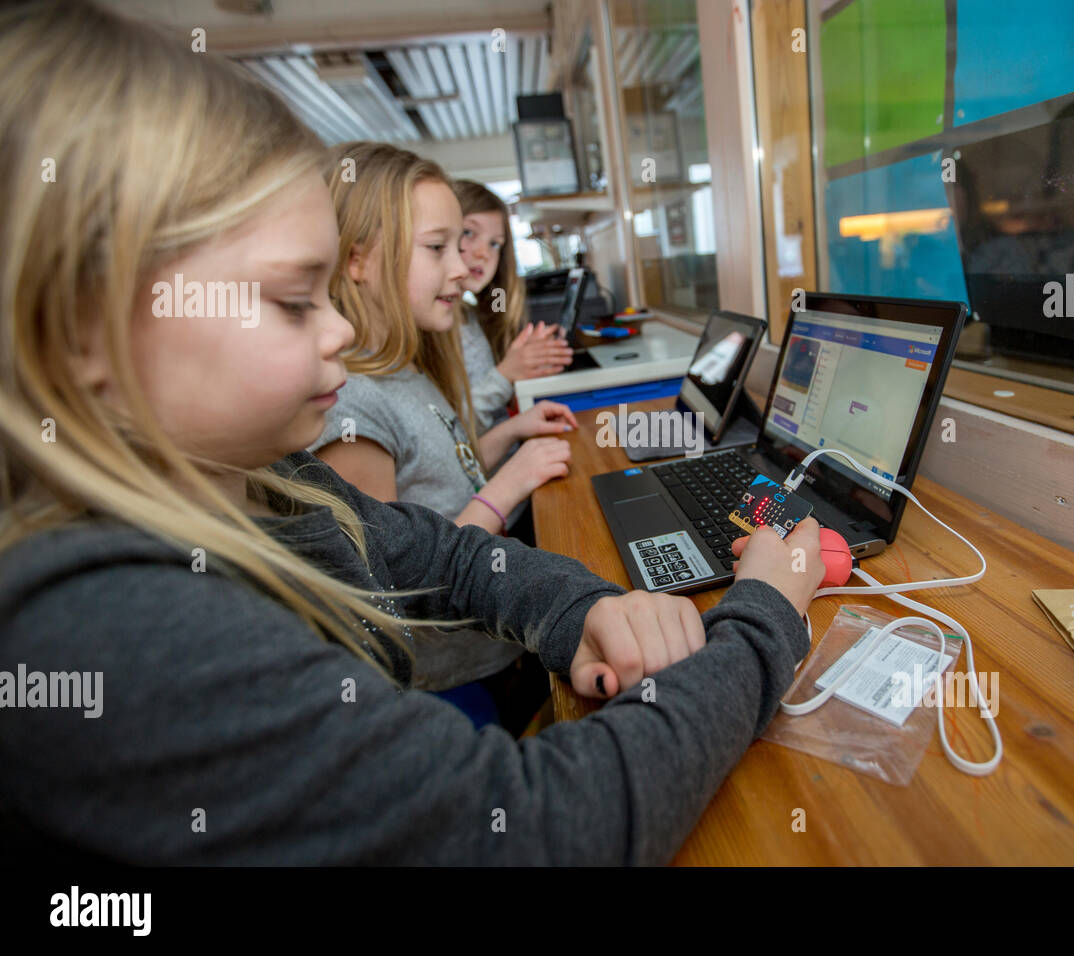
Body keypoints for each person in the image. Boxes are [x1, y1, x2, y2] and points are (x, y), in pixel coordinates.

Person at [0, 0, 823, 865]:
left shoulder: (273, 479)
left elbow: (450, 556)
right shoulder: (107, 632)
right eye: (291, 300)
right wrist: (765, 616)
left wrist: (580, 613)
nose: (342, 335)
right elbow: (540, 831)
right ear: (82, 327)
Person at [308, 142, 575, 725]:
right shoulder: (351, 407)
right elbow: (397, 592)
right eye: (438, 247)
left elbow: (435, 475)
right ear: (357, 259)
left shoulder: (402, 367)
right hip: (451, 681)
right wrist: (507, 488)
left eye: (462, 244)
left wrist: (508, 438)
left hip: (494, 646)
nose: (462, 266)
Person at [453, 178, 573, 429]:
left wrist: (529, 365)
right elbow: (448, 436)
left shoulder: (471, 317)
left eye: (495, 244)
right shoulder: (433, 328)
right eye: (468, 232)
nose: (483, 253)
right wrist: (506, 374)